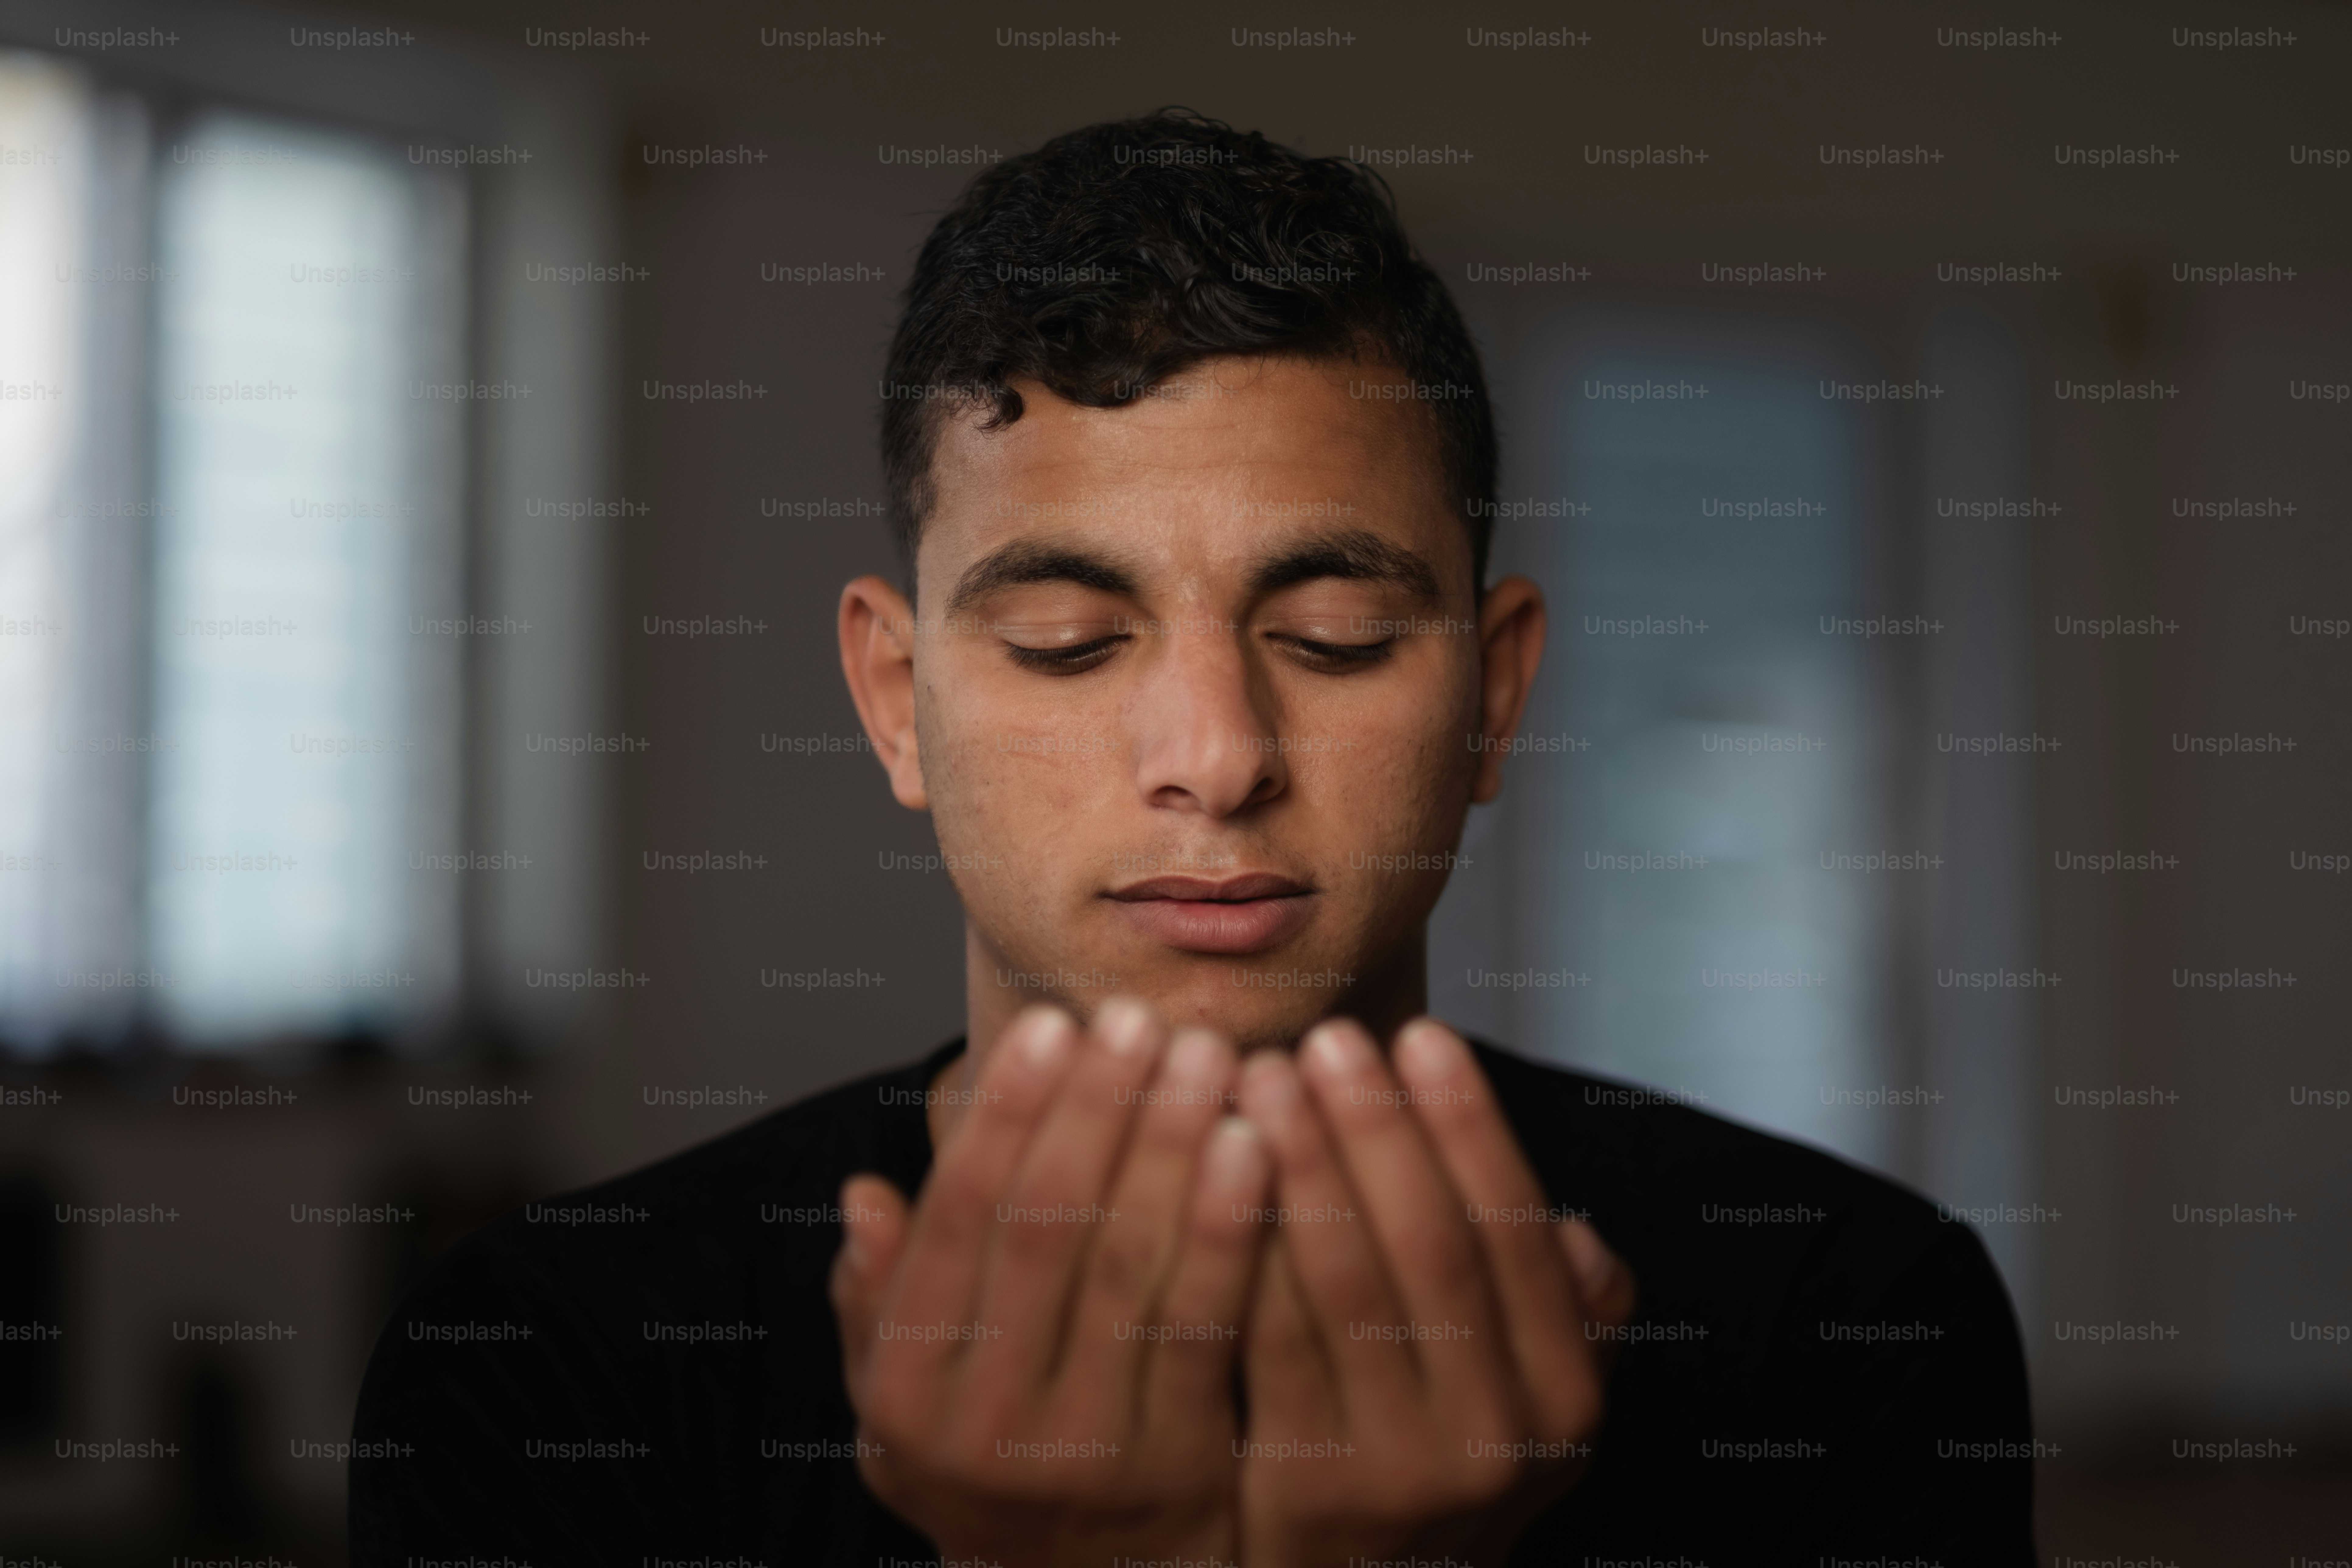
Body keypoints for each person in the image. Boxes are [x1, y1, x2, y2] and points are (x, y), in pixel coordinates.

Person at [351, 110, 2034, 1567]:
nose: (1217, 760)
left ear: (1497, 698)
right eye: (1073, 643)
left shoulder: (1851, 1322)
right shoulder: (548, 1367)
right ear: (892, 700)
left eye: (1338, 638)